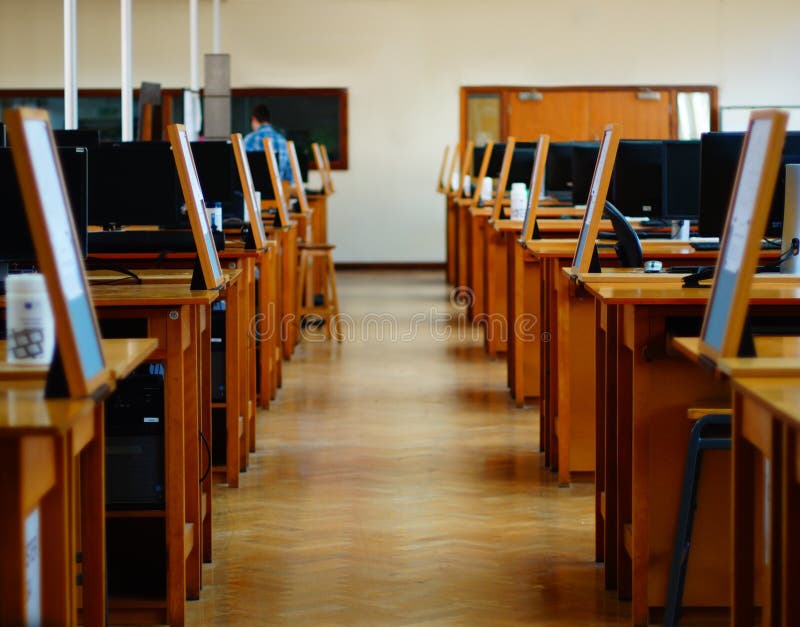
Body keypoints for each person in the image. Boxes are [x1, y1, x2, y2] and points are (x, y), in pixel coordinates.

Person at [243, 104, 294, 183]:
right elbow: (289, 174)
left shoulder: (249, 139)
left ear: (254, 119)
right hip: (277, 192)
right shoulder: (282, 140)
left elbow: (242, 169)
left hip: (254, 191)